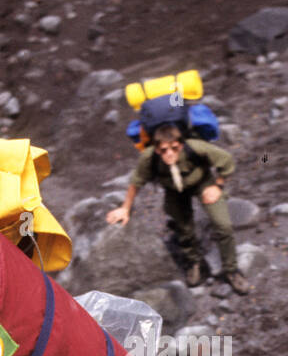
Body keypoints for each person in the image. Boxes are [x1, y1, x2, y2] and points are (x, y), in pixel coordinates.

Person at [106, 124, 251, 295]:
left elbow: (226, 160)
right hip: (174, 189)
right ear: (157, 150)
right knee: (183, 226)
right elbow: (135, 183)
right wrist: (125, 208)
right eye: (164, 150)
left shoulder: (196, 148)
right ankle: (194, 262)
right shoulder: (149, 158)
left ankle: (231, 271)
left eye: (174, 148)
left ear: (180, 145)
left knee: (223, 225)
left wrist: (217, 186)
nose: (169, 154)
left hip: (202, 183)